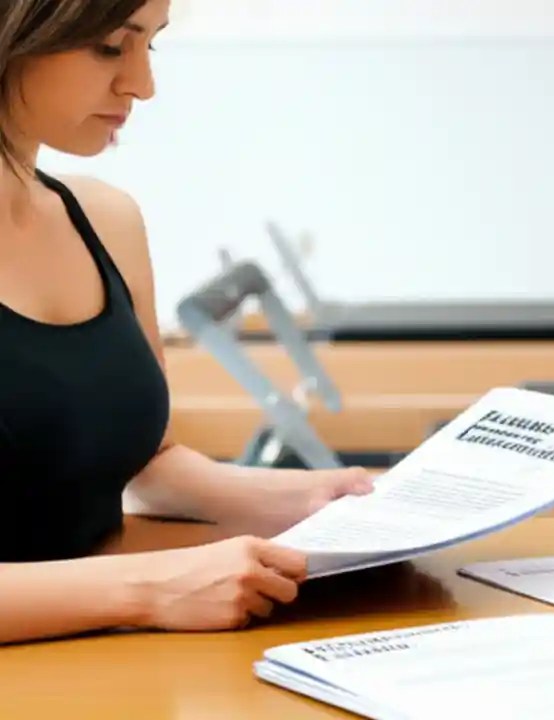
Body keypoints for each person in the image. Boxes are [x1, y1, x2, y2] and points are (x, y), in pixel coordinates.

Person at [0, 0, 376, 645]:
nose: (142, 85)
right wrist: (151, 588)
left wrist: (308, 502)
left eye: (153, 45)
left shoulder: (105, 220)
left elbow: (143, 460)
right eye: (112, 47)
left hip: (105, 665)